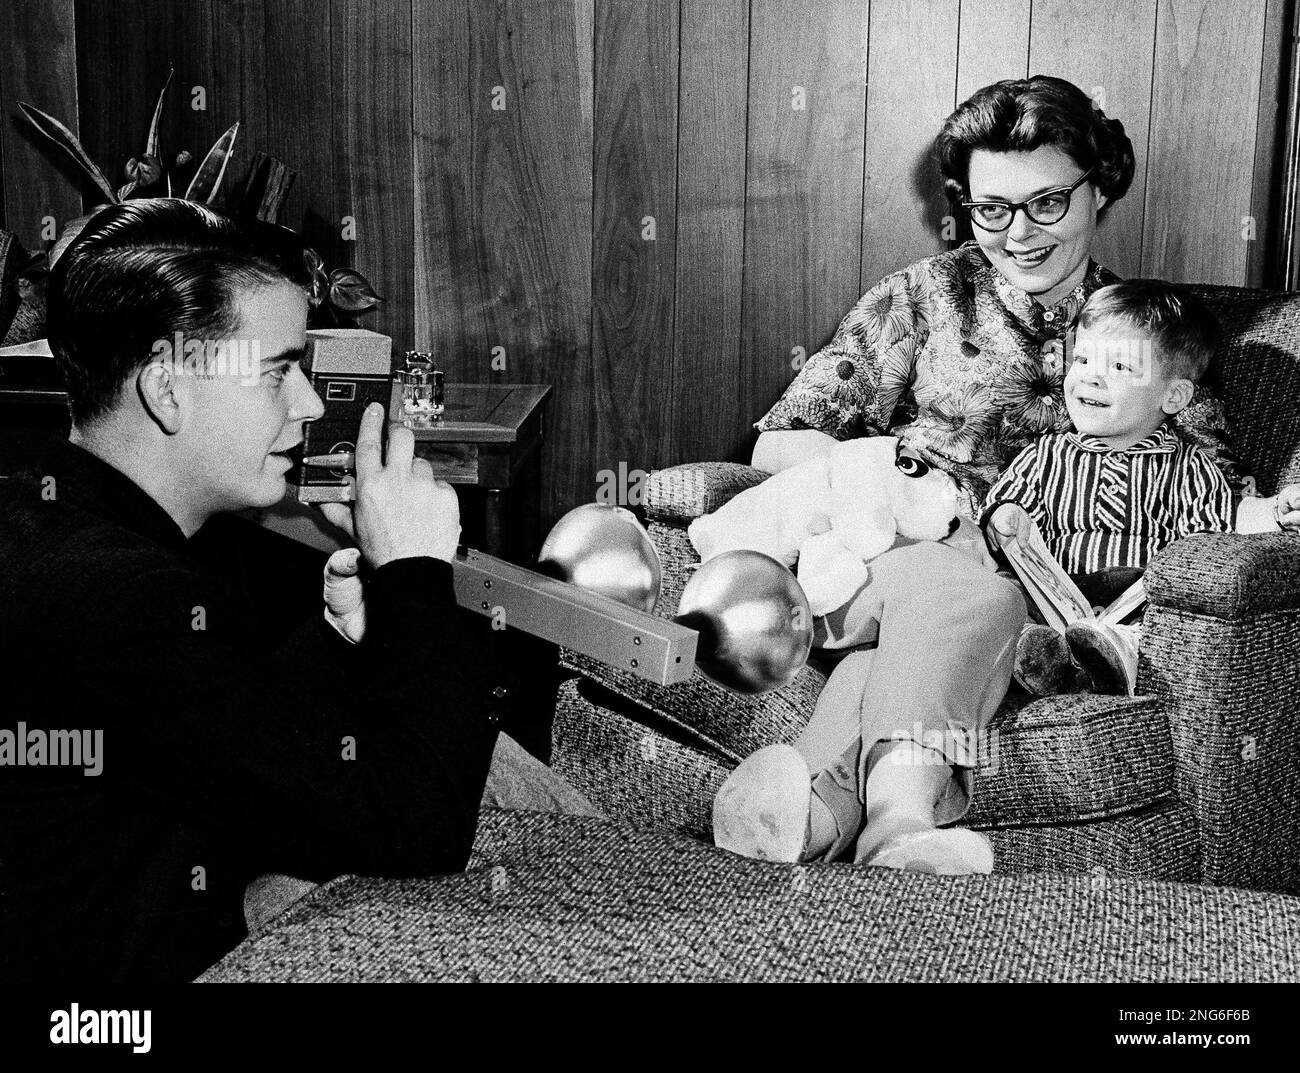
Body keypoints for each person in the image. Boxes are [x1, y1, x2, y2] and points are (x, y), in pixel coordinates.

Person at [711, 75, 1299, 874]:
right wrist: (886, 478)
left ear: (1100, 189)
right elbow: (780, 445)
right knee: (968, 592)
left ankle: (808, 815)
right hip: (875, 571)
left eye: (1047, 203)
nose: (1018, 233)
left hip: (1017, 614)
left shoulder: (1147, 336)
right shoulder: (922, 299)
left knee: (919, 645)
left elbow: (1209, 502)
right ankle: (898, 824)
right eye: (992, 209)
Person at [0, 198, 590, 986]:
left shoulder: (49, 513)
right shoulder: (125, 594)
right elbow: (418, 830)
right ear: (166, 390)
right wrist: (419, 571)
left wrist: (340, 634)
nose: (309, 406)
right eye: (278, 372)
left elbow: (222, 735)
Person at [983, 280, 1300, 696]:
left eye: (1119, 367)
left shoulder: (1187, 466)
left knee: (1145, 633)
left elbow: (1222, 524)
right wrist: (1004, 520)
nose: (1090, 378)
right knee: (1000, 599)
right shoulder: (1047, 454)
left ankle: (1106, 661)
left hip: (1133, 612)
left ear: (1173, 396)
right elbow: (1003, 509)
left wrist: (1276, 511)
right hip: (1050, 601)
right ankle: (1045, 658)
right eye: (1082, 360)